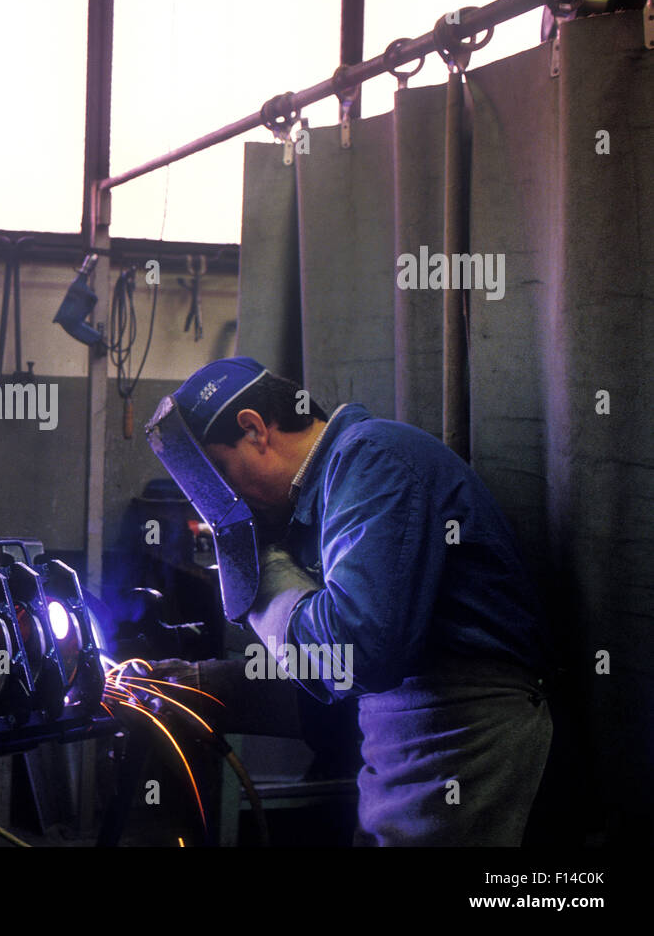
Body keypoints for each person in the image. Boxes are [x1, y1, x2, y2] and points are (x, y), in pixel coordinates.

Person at [146, 356, 553, 845]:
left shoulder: (372, 460)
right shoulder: (325, 492)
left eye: (220, 473)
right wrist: (205, 685)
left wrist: (265, 574)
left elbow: (353, 654)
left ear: (254, 430)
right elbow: (336, 678)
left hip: (468, 739)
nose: (225, 500)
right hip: (406, 739)